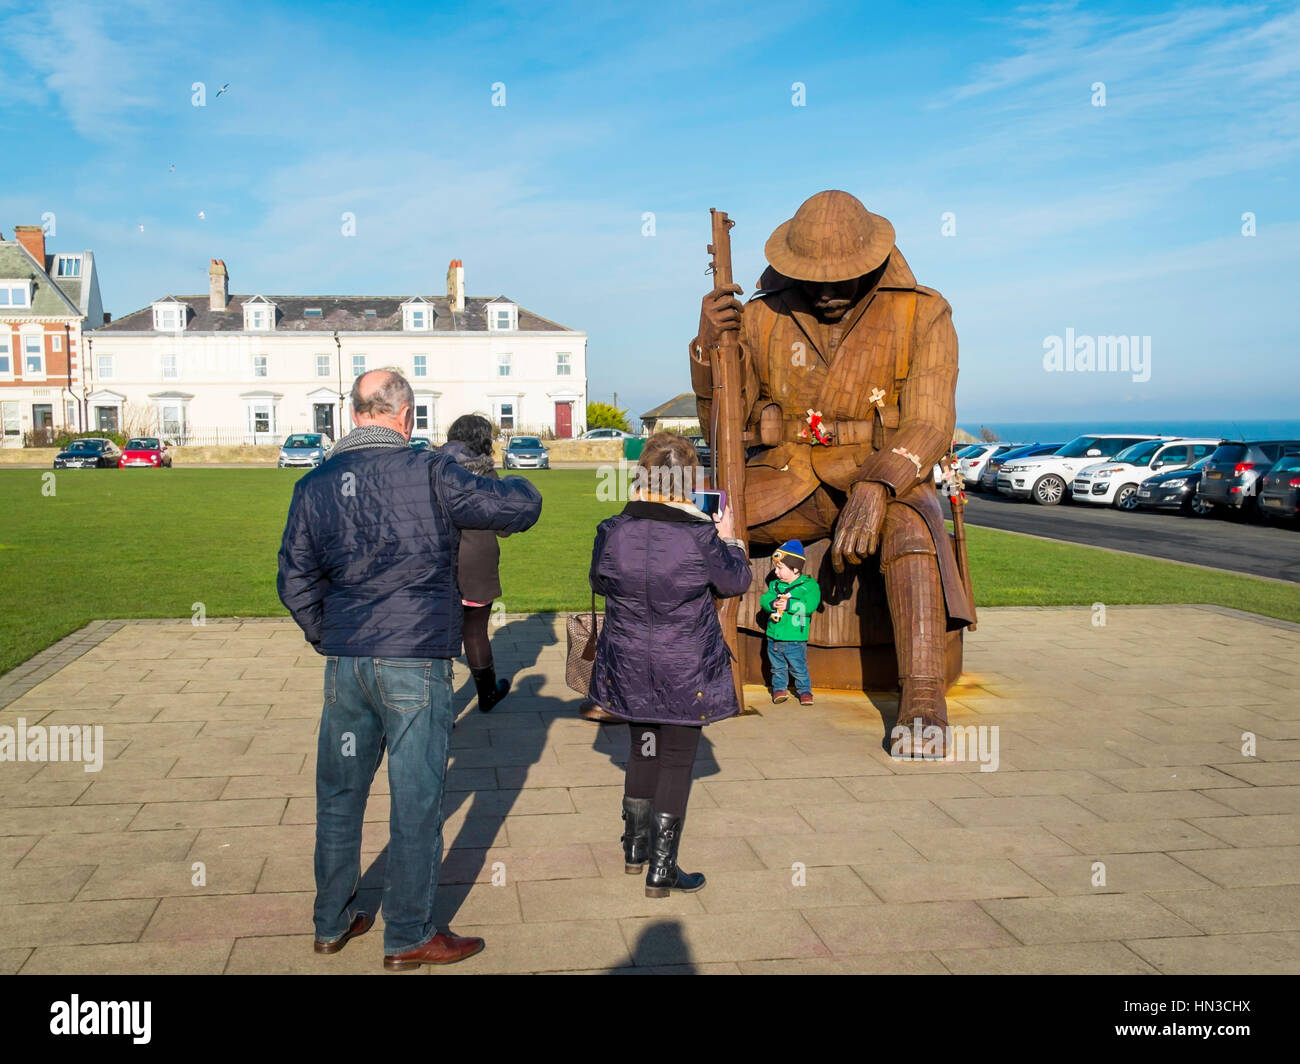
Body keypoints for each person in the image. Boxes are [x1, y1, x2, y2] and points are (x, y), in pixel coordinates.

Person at [689, 189, 975, 757]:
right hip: (782, 478)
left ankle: (922, 697)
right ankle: (654, 672)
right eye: (813, 280)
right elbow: (723, 424)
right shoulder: (761, 315)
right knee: (685, 519)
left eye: (840, 278)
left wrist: (879, 484)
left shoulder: (923, 311)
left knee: (911, 531)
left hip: (881, 475)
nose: (825, 292)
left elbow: (930, 422)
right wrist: (708, 347)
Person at [277, 369, 542, 970]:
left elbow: (293, 578)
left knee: (339, 795)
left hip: (348, 661)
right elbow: (520, 506)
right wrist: (499, 472)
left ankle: (331, 921)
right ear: (405, 415)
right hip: (412, 656)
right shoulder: (430, 470)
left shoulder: (316, 483)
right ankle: (408, 932)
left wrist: (330, 634)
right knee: (416, 799)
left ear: (355, 414)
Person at [587, 433, 751, 897]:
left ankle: (635, 850)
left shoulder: (613, 529)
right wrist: (730, 539)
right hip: (684, 662)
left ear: (643, 474)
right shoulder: (700, 536)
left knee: (643, 749)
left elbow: (599, 580)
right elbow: (735, 581)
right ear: (689, 481)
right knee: (676, 759)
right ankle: (661, 867)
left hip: (630, 658)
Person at [441, 414, 510, 712]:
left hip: (438, 559)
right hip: (477, 562)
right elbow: (504, 528)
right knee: (475, 631)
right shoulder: (487, 477)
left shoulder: (434, 470)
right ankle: (487, 695)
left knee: (440, 637)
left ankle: (440, 711)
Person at [759, 540, 821, 705]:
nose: (776, 571)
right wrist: (772, 604)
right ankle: (779, 689)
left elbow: (810, 606)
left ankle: (805, 691)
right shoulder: (775, 585)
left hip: (794, 637)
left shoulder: (809, 586)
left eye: (780, 568)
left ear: (795, 569)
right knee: (777, 667)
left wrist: (789, 605)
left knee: (798, 667)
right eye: (776, 567)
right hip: (774, 636)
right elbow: (764, 600)